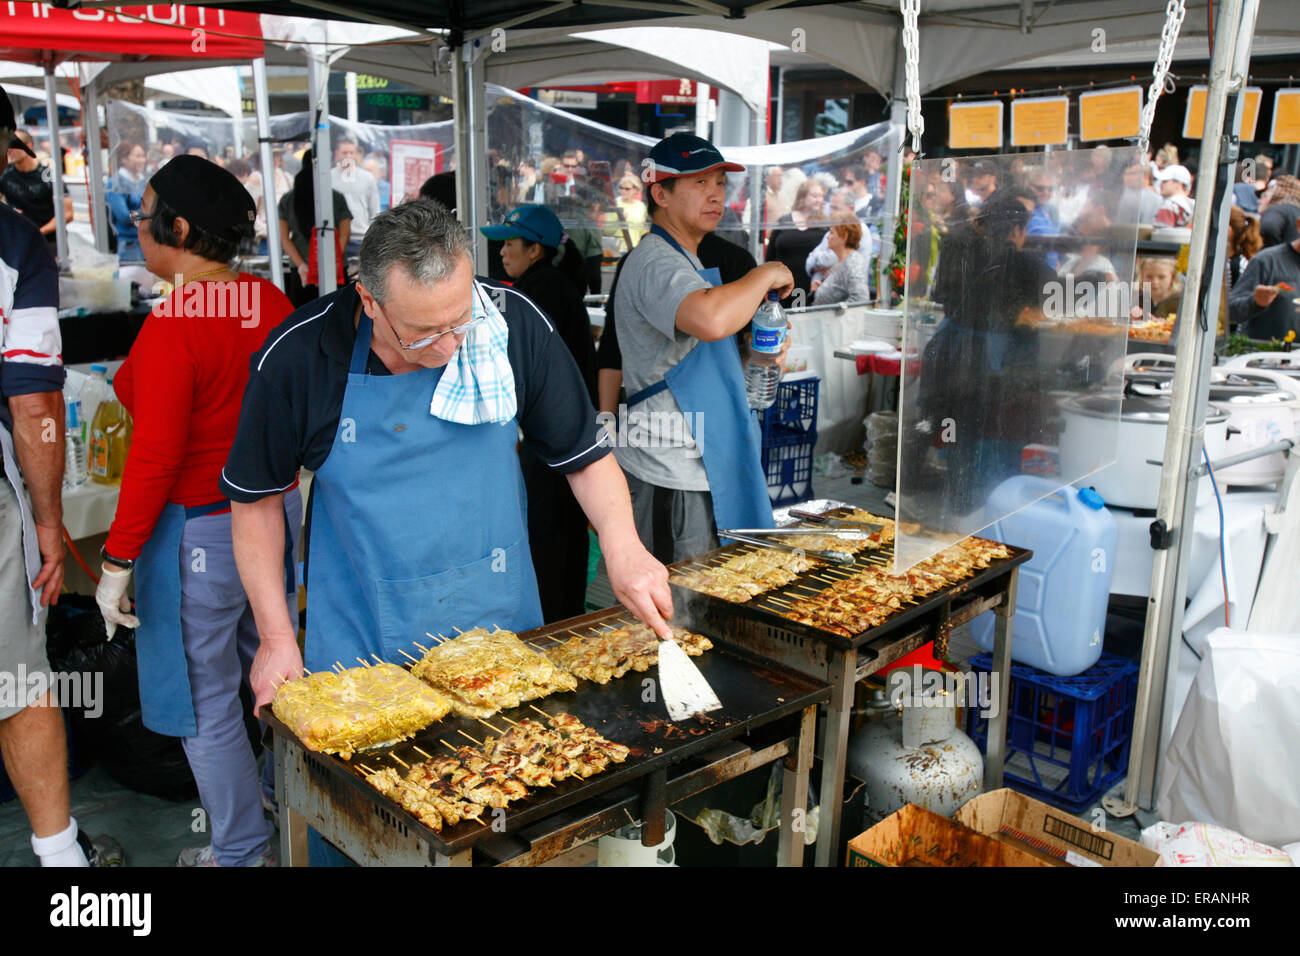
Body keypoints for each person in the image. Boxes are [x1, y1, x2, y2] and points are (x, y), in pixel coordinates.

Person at [219, 200, 673, 864]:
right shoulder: (302, 354)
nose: (451, 346)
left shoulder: (510, 325)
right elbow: (255, 503)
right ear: (368, 300)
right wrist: (276, 638)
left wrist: (625, 548)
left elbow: (584, 454)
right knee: (368, 836)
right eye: (424, 333)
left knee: (508, 813)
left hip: (499, 638)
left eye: (460, 321)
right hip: (360, 655)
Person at [91, 156, 297, 867]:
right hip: (273, 519)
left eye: (143, 213)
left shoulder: (178, 319)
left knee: (206, 701)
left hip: (200, 535)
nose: (137, 225)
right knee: (273, 677)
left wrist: (117, 560)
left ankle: (241, 851)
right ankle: (284, 810)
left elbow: (154, 456)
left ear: (176, 228)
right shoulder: (267, 300)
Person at [0, 86, 119, 868]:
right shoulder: (13, 242)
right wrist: (49, 521)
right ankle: (60, 858)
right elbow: (36, 396)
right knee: (16, 678)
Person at [614, 132, 794, 563]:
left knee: (713, 599)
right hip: (667, 471)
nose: (715, 195)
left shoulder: (688, 262)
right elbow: (710, 319)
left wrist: (758, 358)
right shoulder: (655, 261)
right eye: (700, 183)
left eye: (720, 184)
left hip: (702, 463)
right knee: (675, 606)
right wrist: (766, 272)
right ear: (660, 192)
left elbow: (696, 352)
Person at [481, 204, 595, 622]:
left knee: (548, 535)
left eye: (509, 243)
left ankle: (552, 628)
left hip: (550, 436)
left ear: (535, 249)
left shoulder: (538, 290)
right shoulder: (553, 284)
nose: (502, 252)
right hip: (569, 434)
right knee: (563, 532)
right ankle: (567, 620)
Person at [278, 151, 352, 307]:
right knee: (336, 317)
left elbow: (284, 238)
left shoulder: (288, 199)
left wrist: (302, 266)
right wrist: (333, 262)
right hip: (335, 271)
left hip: (301, 275)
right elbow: (344, 234)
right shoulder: (336, 198)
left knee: (303, 322)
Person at [1229, 208, 1300, 340]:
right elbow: (1230, 311)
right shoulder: (1267, 261)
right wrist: (1255, 302)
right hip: (1264, 355)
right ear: (1299, 225)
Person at [1, 130, 73, 254]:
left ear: (28, 147)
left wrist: (38, 232)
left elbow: (67, 214)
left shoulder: (48, 175)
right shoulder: (5, 175)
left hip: (48, 242)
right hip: (18, 243)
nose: (8, 150)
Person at [765, 178, 826, 307]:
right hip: (783, 287)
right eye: (814, 195)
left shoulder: (824, 225)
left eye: (821, 196)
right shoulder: (784, 221)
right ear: (803, 196)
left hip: (810, 287)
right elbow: (770, 255)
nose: (818, 200)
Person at [330, 138, 380, 259]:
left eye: (351, 153)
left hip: (361, 238)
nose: (349, 156)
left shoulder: (368, 178)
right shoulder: (328, 177)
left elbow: (375, 211)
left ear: (356, 154)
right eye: (345, 153)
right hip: (335, 238)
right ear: (337, 154)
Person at [812, 214, 872, 305]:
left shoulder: (853, 262)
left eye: (831, 233)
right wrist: (821, 289)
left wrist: (835, 313)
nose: (827, 237)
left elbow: (860, 298)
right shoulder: (841, 262)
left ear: (844, 236)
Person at [1259, 174, 1300, 248]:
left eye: (1264, 195)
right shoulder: (1295, 211)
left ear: (1276, 194)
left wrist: (1269, 251)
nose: (1259, 201)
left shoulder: (1278, 209)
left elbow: (1268, 227)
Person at [1116, 161, 1161, 226]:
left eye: (1131, 174)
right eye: (1125, 174)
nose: (1126, 177)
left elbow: (1122, 226)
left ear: (1144, 176)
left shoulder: (1151, 197)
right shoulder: (1128, 192)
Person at [611, 174, 648, 252]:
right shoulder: (614, 203)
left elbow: (643, 231)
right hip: (616, 249)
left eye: (627, 189)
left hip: (635, 249)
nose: (623, 191)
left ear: (636, 190)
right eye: (621, 188)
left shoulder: (641, 206)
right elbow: (606, 230)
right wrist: (618, 221)